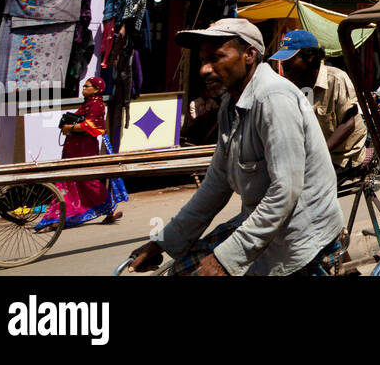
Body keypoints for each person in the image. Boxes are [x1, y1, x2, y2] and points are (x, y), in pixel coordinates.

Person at [127, 18, 344, 276]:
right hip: (264, 225)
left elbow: (285, 191)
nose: (204, 70)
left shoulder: (273, 99)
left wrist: (227, 258)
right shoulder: (230, 107)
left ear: (249, 55)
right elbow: (215, 185)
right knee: (182, 271)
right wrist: (164, 241)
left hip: (302, 236)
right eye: (203, 60)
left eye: (217, 57)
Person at [34, 77, 127, 229]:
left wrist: (69, 127)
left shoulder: (97, 105)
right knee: (67, 181)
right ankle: (60, 216)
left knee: (88, 181)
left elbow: (89, 126)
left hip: (85, 150)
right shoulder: (86, 104)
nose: (83, 88)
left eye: (87, 86)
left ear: (97, 89)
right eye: (83, 86)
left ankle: (108, 208)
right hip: (73, 148)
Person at [272, 30, 369, 171]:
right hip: (310, 157)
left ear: (310, 57)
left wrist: (318, 153)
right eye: (282, 60)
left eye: (290, 60)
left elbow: (348, 123)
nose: (284, 65)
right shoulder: (292, 83)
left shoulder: (336, 79)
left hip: (343, 156)